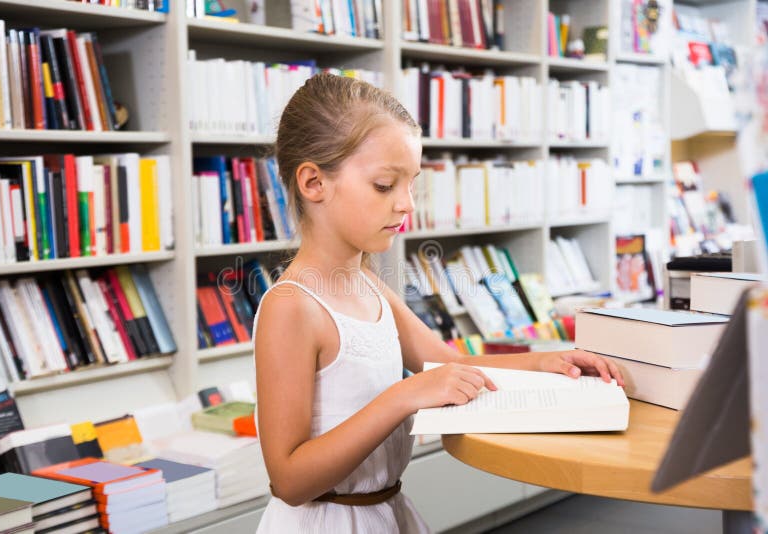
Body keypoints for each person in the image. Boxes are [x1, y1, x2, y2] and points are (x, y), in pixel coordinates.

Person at [253, 73, 624, 533]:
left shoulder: (369, 286)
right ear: (313, 182)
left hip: (385, 512)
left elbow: (449, 364)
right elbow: (288, 479)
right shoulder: (291, 307)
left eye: (412, 185)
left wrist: (546, 360)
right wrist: (404, 396)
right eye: (385, 186)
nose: (407, 204)